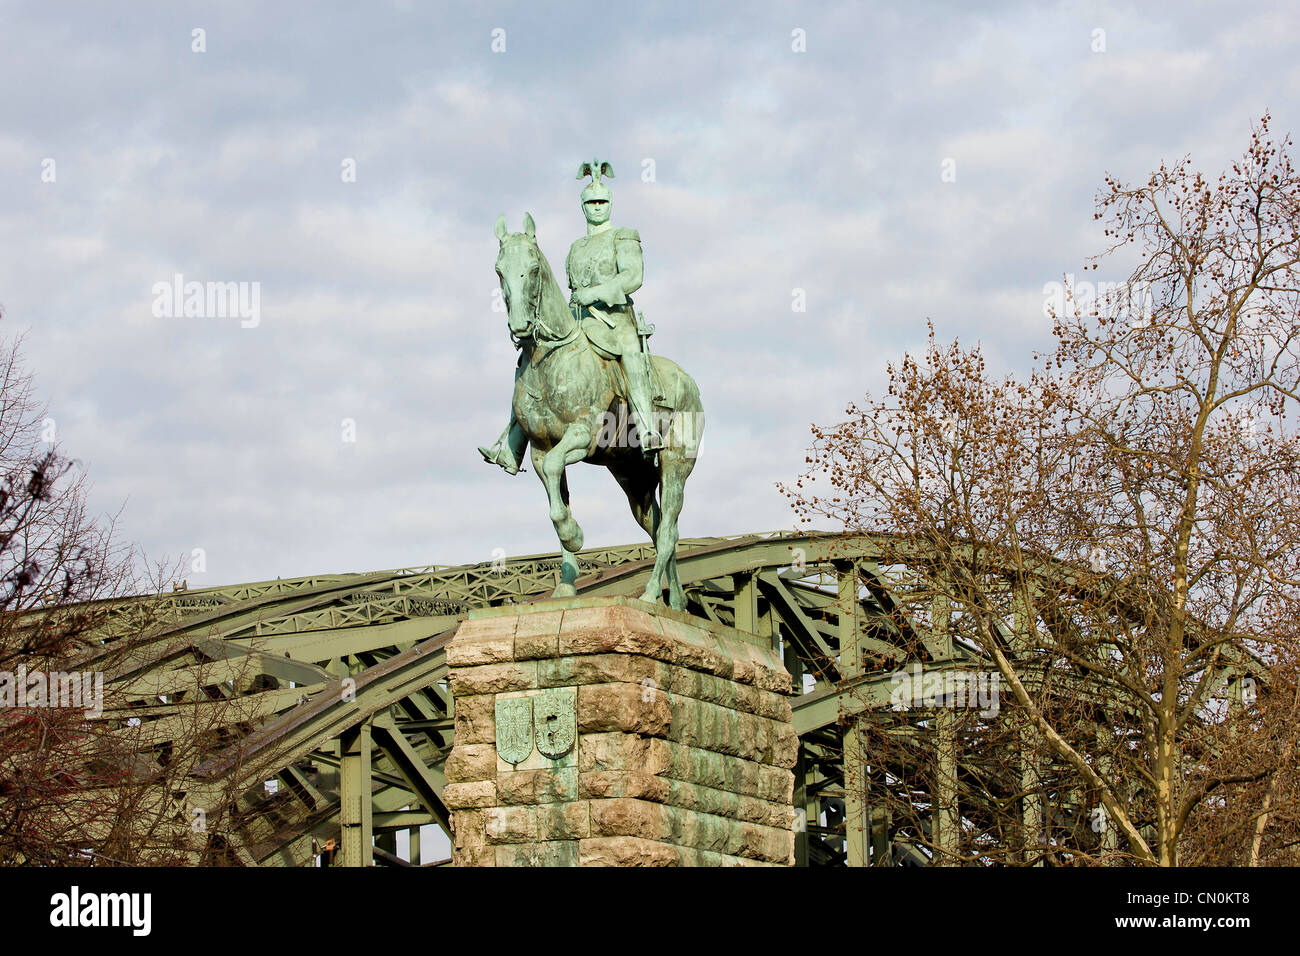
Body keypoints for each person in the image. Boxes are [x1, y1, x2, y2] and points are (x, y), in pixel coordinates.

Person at [479, 159, 663, 474]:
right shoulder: (575, 247)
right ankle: (513, 445)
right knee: (530, 360)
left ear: (610, 204)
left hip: (616, 321)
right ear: (583, 207)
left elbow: (633, 276)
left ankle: (646, 428)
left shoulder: (624, 235)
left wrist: (596, 293)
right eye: (591, 202)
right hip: (578, 322)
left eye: (602, 201)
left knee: (631, 352)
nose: (597, 207)